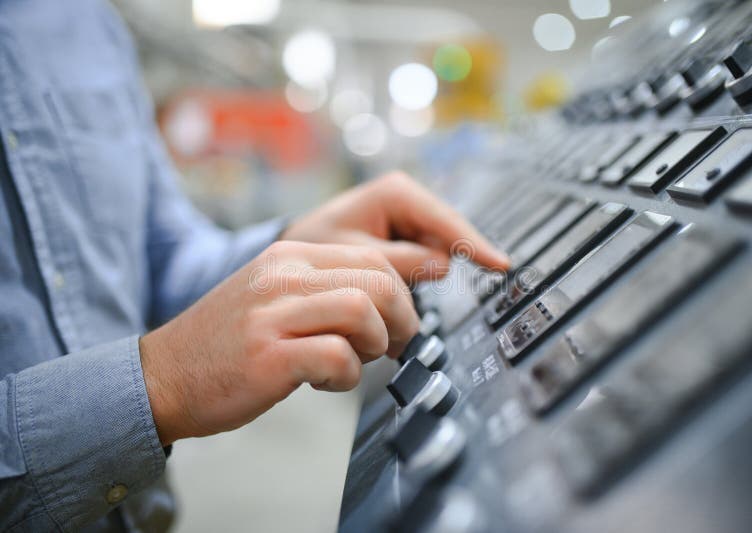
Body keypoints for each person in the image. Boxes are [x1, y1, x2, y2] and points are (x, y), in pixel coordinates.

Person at [0, 0, 509, 530]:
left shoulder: (86, 23)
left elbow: (166, 257)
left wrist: (291, 247)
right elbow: (167, 355)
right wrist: (160, 384)